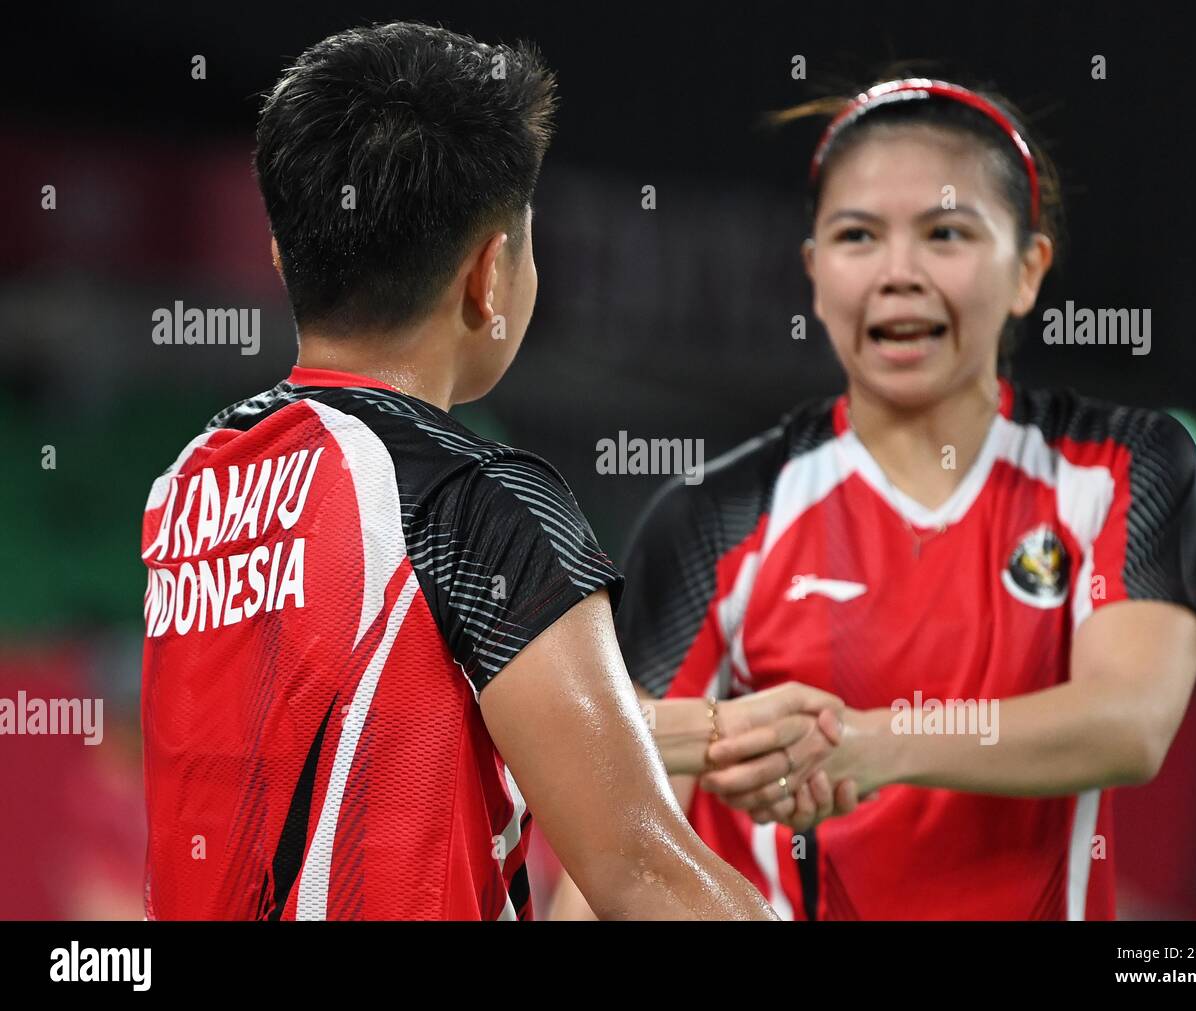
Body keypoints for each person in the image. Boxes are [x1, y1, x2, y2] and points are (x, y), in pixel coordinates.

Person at [138, 21, 812, 921]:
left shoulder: (192, 482)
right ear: (490, 277)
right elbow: (642, 873)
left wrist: (714, 732)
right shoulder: (475, 500)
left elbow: (388, 718)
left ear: (280, 254)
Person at [551, 73, 1196, 920]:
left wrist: (866, 746)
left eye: (946, 233)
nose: (899, 272)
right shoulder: (714, 515)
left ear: (1028, 270)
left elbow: (1129, 721)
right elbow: (628, 810)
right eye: (857, 236)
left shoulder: (1128, 464)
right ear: (813, 271)